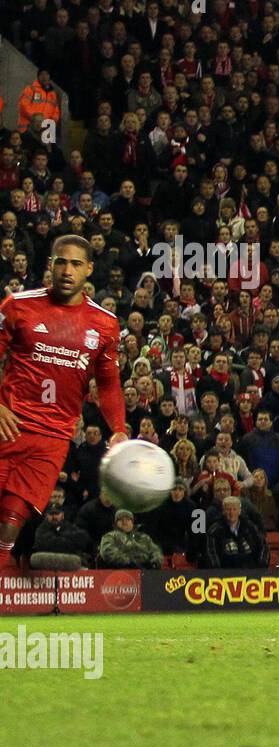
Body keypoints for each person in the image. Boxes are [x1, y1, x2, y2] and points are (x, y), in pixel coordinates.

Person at [0, 236, 128, 567]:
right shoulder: (18, 305)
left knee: (13, 517)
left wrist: (117, 429)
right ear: (50, 266)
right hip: (8, 424)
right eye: (60, 262)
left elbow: (110, 383)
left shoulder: (105, 324)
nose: (66, 270)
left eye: (74, 263)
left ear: (89, 269)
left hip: (53, 438)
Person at [207, 496, 266, 568]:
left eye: (234, 509)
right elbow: (212, 553)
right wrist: (218, 572)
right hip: (225, 573)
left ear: (239, 511)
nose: (231, 513)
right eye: (228, 509)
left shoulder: (250, 527)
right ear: (223, 511)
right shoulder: (214, 530)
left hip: (251, 572)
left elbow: (263, 546)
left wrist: (262, 567)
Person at [98, 509, 164, 570]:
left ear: (132, 522)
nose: (124, 522)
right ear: (116, 523)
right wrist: (129, 561)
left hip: (147, 571)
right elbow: (108, 552)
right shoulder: (110, 536)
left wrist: (155, 561)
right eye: (120, 520)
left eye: (127, 519)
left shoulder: (144, 537)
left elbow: (156, 550)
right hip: (122, 571)